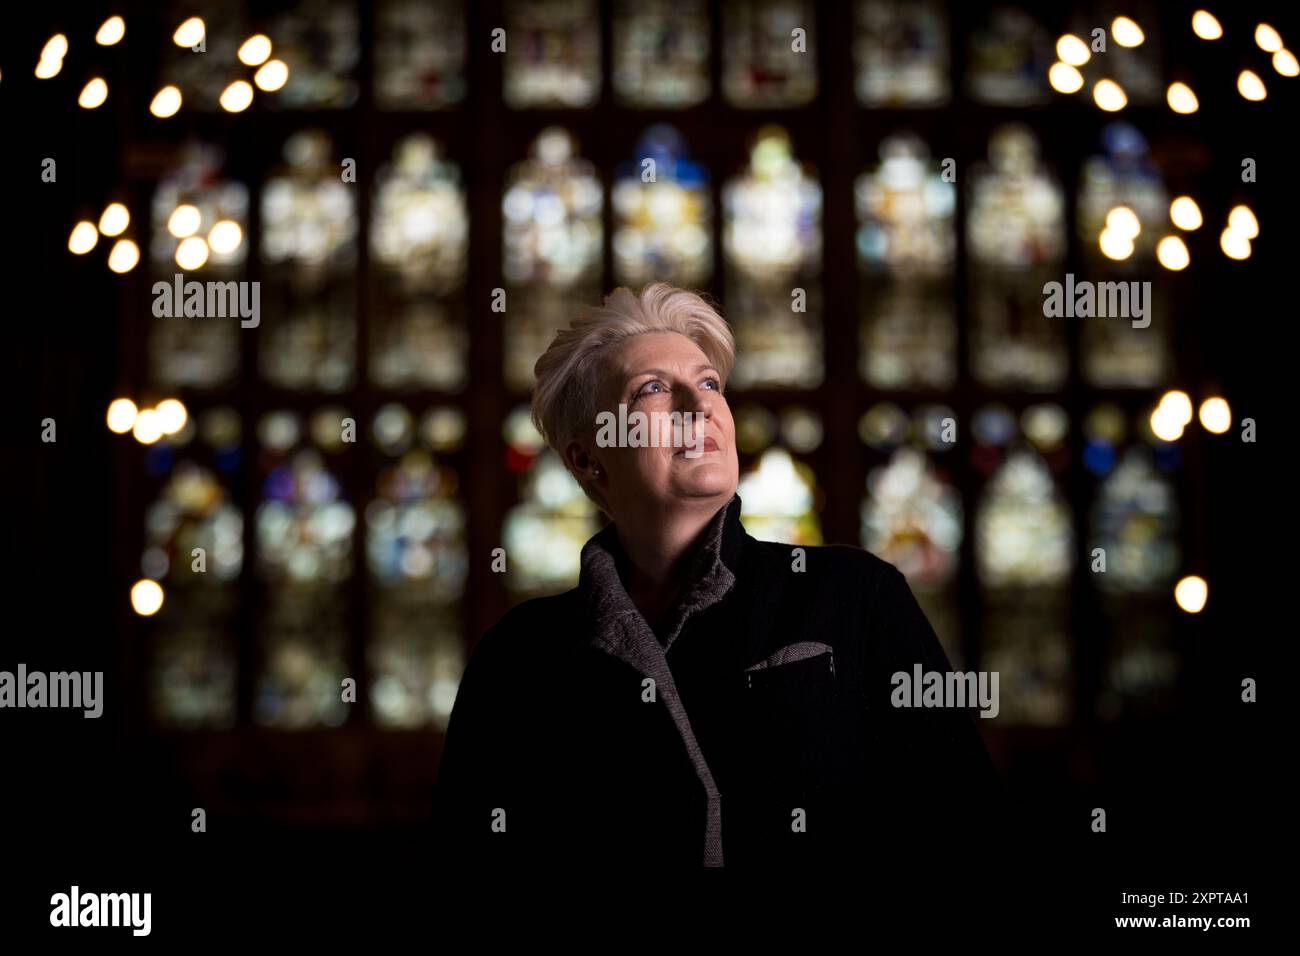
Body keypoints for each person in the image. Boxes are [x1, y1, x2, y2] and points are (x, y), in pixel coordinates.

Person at [433, 282, 1001, 867]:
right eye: (652, 389)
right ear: (587, 458)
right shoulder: (519, 656)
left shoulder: (857, 594)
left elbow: (965, 830)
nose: (699, 405)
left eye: (708, 383)